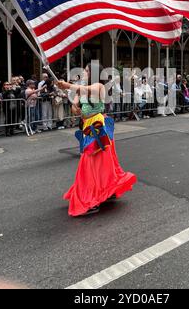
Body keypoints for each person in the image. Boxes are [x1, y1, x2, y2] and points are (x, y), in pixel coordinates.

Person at [57, 63, 137, 217]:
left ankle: (95, 197)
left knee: (94, 163)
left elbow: (87, 90)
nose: (84, 72)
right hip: (88, 126)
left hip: (98, 125)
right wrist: (75, 107)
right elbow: (76, 107)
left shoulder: (99, 86)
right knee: (101, 163)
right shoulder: (82, 88)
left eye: (86, 70)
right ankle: (108, 190)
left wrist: (67, 85)